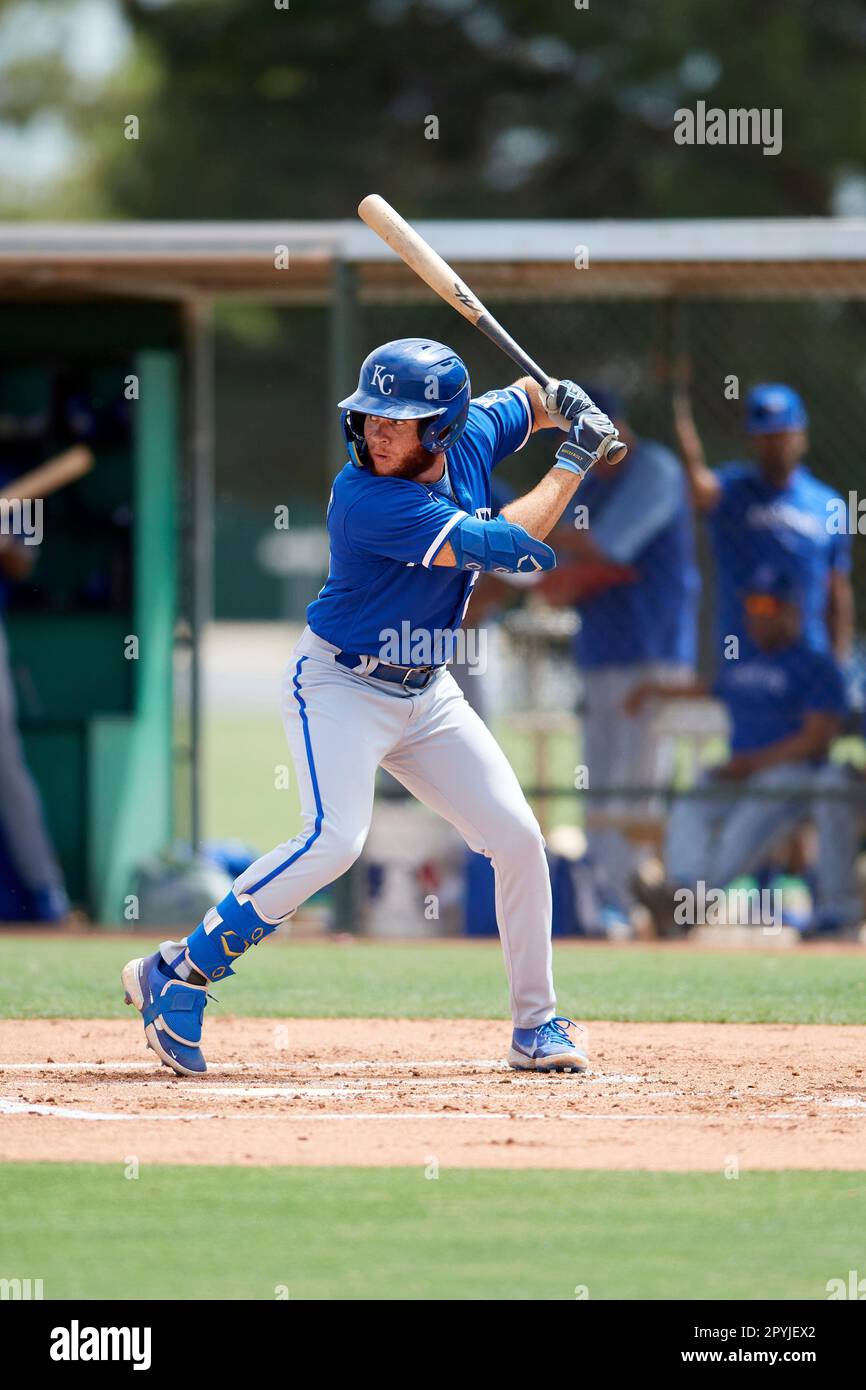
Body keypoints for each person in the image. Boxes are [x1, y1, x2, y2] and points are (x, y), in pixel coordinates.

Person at [122, 339, 623, 1076]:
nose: (378, 432)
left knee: (518, 840)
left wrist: (565, 400)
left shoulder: (477, 430)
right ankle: (180, 974)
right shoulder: (366, 497)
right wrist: (575, 458)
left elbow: (530, 392)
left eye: (401, 420)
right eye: (370, 417)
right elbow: (511, 548)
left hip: (427, 691)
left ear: (445, 428)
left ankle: (535, 1025)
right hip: (341, 685)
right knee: (335, 839)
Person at [539, 389, 699, 932]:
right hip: (603, 651)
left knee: (637, 788)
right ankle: (610, 904)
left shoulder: (653, 468)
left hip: (652, 656)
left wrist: (543, 541)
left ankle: (643, 900)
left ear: (618, 426)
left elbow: (610, 549)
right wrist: (563, 570)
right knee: (601, 785)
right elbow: (578, 565)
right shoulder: (591, 480)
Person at [627, 567, 861, 937]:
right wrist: (650, 689)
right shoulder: (743, 660)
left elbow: (817, 739)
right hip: (740, 774)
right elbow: (706, 689)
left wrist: (753, 764)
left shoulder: (815, 666)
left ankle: (689, 907)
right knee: (693, 800)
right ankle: (682, 891)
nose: (757, 614)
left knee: (746, 821)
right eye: (752, 604)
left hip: (791, 774)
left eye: (768, 605)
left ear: (792, 612)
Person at [674, 381, 853, 661]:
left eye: (783, 434)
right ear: (752, 439)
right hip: (744, 654)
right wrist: (681, 416)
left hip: (807, 654)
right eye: (766, 436)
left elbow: (836, 588)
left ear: (801, 435)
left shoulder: (829, 504)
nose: (775, 445)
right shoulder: (732, 491)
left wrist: (839, 659)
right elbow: (698, 489)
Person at [0, 531, 70, 921]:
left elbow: (23, 563)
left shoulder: (7, 488)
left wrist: (6, 544)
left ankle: (47, 891)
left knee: (5, 765)